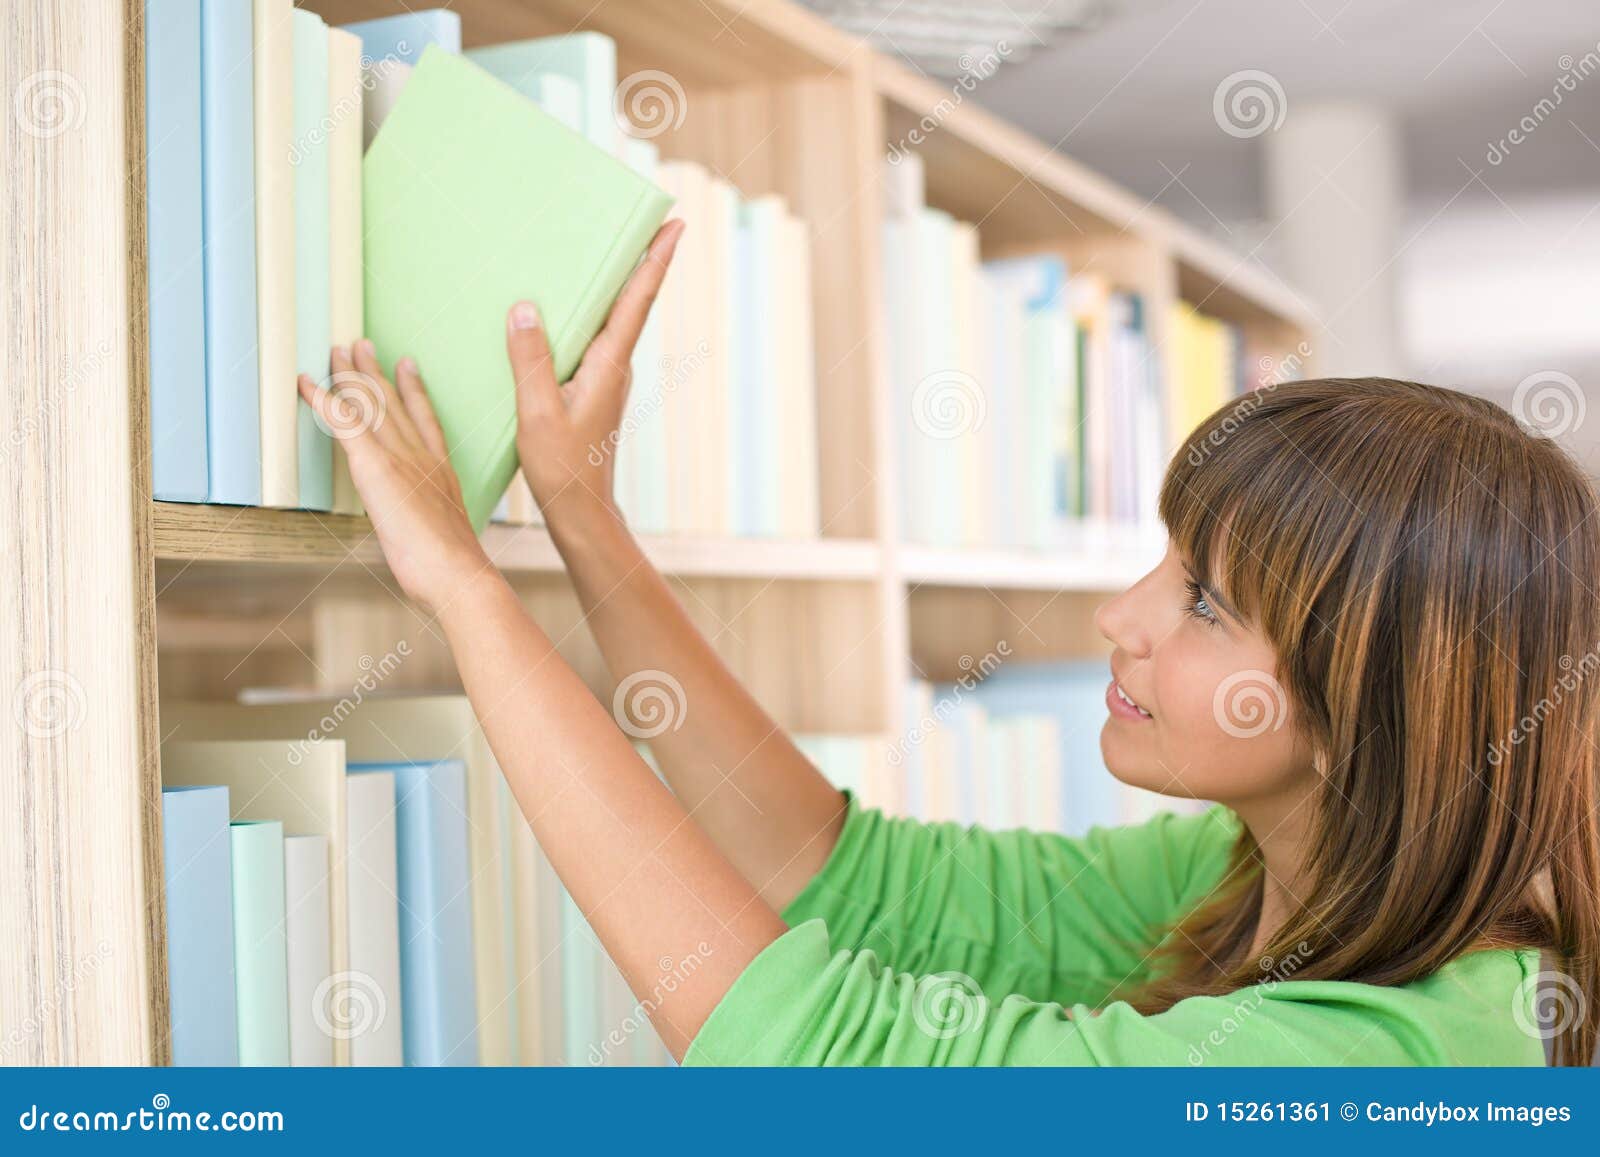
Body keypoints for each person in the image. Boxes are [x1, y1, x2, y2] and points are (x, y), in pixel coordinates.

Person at [298, 220, 1598, 1065]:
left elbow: (821, 1066)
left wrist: (468, 592)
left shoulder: (1391, 1061)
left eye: (1205, 602)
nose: (1122, 619)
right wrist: (582, 515)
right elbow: (843, 873)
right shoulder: (1250, 865)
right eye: (1165, 558)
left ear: (1367, 712)